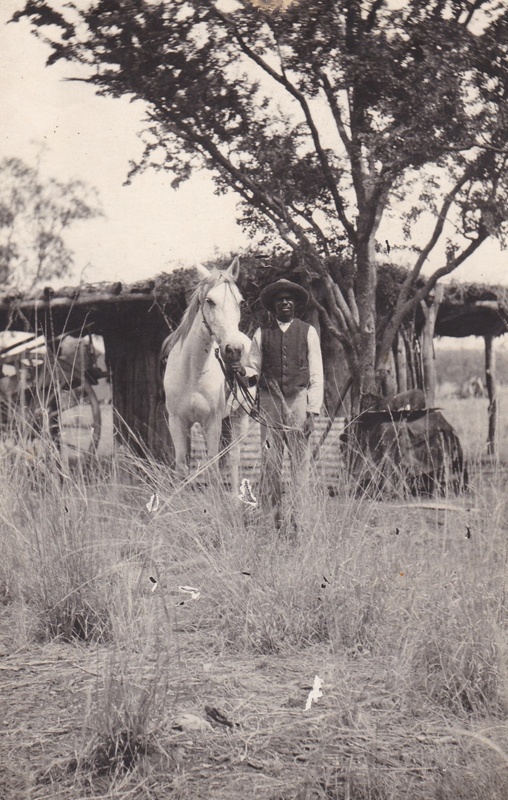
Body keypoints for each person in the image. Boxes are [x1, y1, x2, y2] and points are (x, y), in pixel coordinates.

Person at [247, 278, 324, 531]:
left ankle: (300, 520)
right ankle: (271, 520)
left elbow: (316, 374)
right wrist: (241, 372)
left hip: (298, 401)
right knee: (270, 462)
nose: (285, 302)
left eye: (289, 299)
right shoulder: (261, 333)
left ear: (295, 304)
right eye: (280, 299)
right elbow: (253, 369)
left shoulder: (308, 331)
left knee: (299, 462)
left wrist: (312, 412)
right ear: (273, 306)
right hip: (269, 403)